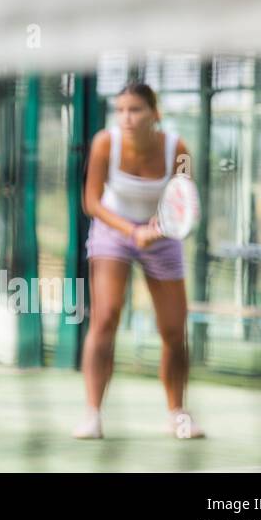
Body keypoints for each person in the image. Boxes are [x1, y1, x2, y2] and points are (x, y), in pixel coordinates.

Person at [73, 81, 205, 441]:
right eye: (121, 110)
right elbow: (93, 203)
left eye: (136, 110)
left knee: (174, 331)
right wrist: (132, 233)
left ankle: (177, 414)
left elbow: (184, 205)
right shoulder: (105, 143)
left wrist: (157, 230)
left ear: (155, 113)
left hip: (161, 237)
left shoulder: (177, 149)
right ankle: (92, 415)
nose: (126, 118)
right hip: (113, 231)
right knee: (105, 317)